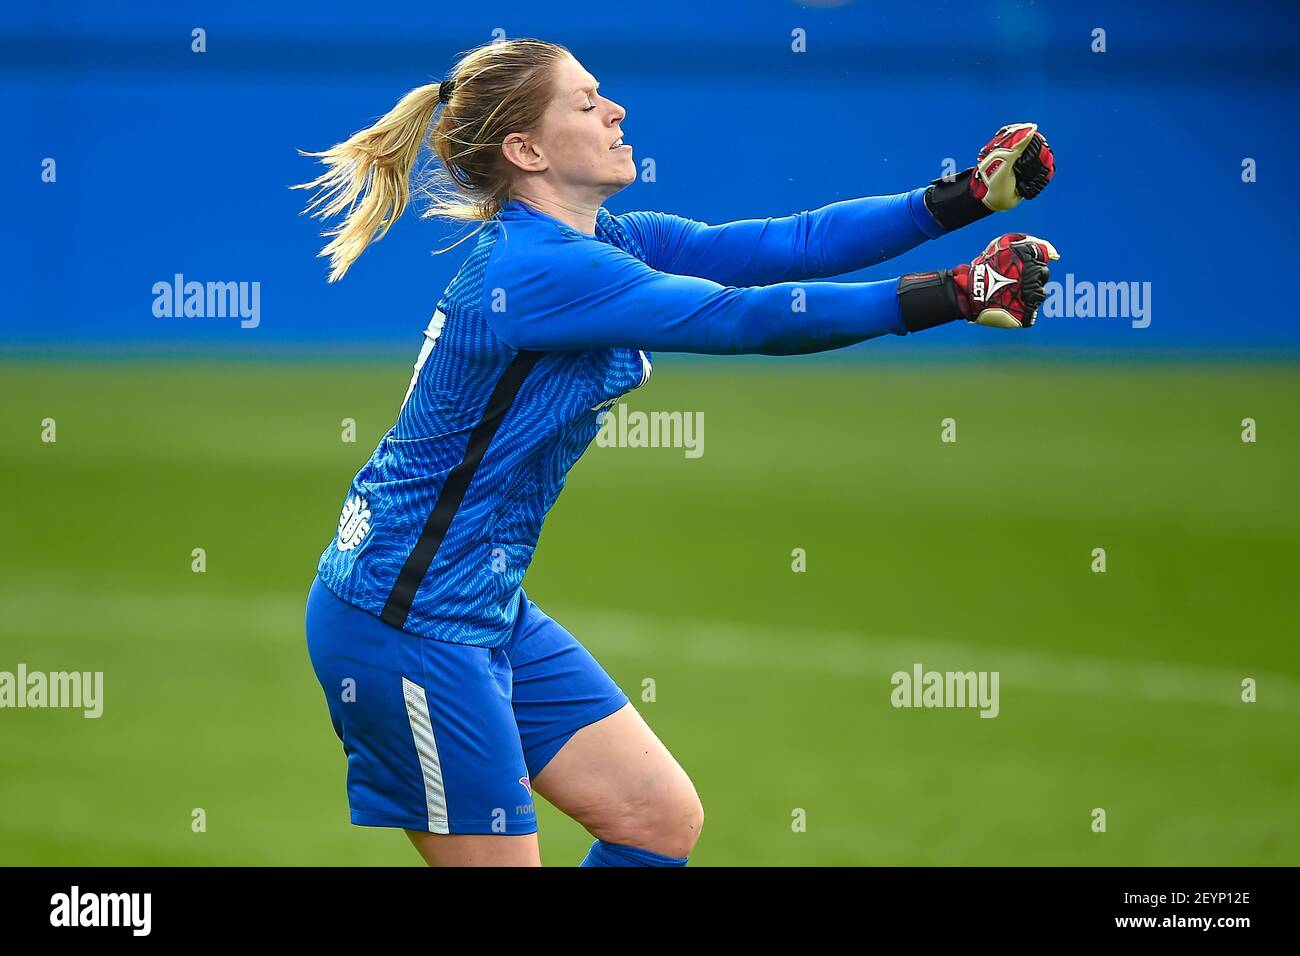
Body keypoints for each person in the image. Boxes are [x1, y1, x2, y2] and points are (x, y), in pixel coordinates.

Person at [295, 37, 1058, 867]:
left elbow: (789, 247)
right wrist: (952, 293)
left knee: (656, 819)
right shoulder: (537, 268)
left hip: (477, 603)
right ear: (526, 150)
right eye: (586, 103)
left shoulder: (608, 241)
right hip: (406, 622)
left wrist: (962, 199)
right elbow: (746, 318)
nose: (615, 110)